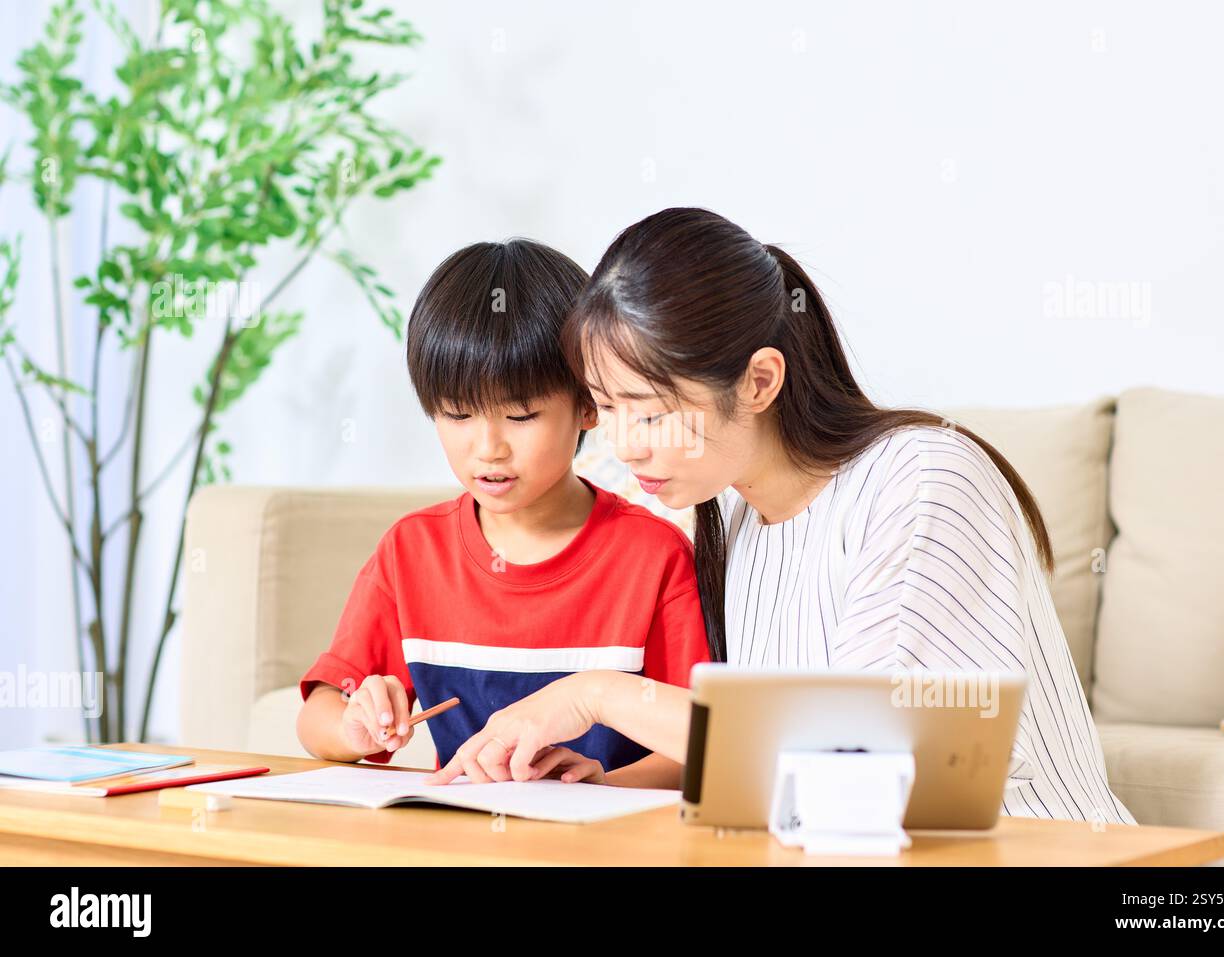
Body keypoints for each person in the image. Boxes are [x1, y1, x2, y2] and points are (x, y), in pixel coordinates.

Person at [426, 208, 1137, 826]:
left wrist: (595, 696)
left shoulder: (921, 479)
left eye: (650, 409)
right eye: (606, 407)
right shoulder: (730, 511)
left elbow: (862, 771)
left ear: (761, 380)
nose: (624, 441)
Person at [296, 238, 711, 788]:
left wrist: (598, 787)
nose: (488, 448)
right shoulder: (411, 552)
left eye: (520, 415)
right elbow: (316, 717)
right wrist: (355, 725)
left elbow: (703, 748)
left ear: (589, 404)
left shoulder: (654, 559)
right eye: (458, 414)